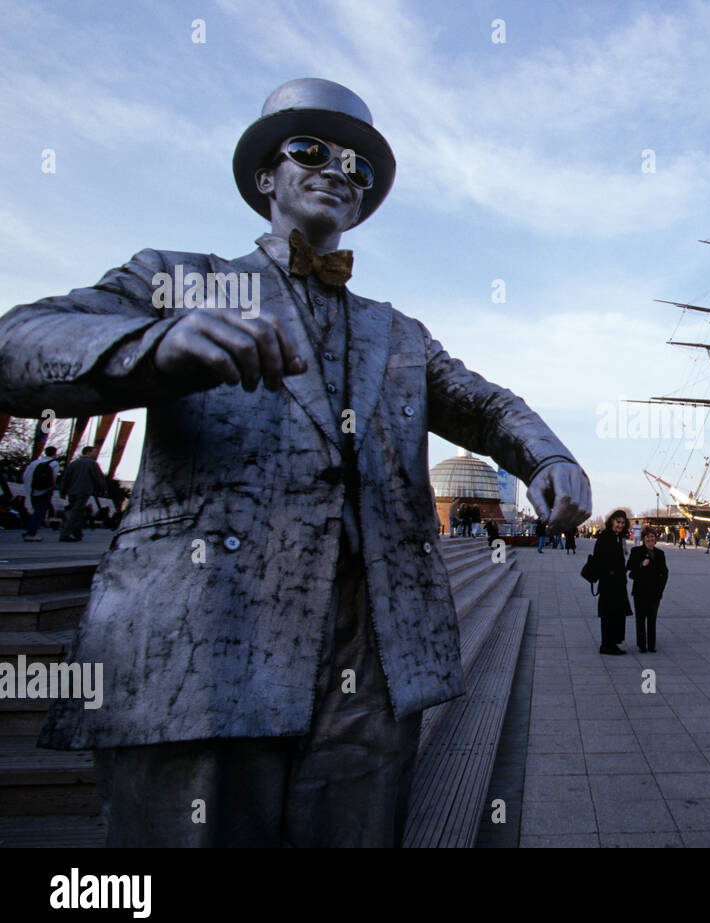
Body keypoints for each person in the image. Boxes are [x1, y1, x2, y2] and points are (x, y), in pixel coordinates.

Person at [0, 78, 590, 848]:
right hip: (206, 638)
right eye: (310, 149)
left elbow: (484, 405)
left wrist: (547, 453)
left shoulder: (400, 333)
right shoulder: (186, 279)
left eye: (359, 165)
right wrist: (156, 345)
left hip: (373, 655)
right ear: (265, 178)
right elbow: (20, 341)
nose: (338, 169)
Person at [593, 509, 632, 654]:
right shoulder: (606, 536)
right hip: (609, 583)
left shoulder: (618, 536)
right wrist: (610, 572)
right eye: (618, 522)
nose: (620, 525)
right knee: (609, 614)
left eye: (622, 522)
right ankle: (607, 644)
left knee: (616, 613)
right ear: (612, 522)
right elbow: (600, 557)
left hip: (618, 582)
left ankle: (613, 642)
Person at [626, 527, 668, 653]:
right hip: (640, 591)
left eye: (652, 537)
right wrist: (641, 564)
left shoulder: (660, 554)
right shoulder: (636, 551)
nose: (650, 539)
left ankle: (651, 644)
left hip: (655, 591)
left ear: (655, 539)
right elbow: (629, 566)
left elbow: (665, 572)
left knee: (652, 618)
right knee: (640, 618)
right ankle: (641, 644)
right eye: (648, 537)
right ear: (643, 539)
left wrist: (661, 589)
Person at [57, 446, 109, 542]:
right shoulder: (92, 464)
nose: (96, 454)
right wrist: (103, 489)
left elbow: (66, 478)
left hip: (72, 491)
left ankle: (77, 533)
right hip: (84, 490)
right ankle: (65, 534)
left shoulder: (74, 463)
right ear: (88, 452)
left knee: (76, 511)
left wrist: (63, 491)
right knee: (76, 513)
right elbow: (98, 478)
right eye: (94, 452)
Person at [21, 446, 59, 542]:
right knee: (40, 512)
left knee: (34, 511)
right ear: (54, 453)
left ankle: (29, 529)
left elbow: (25, 475)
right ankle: (31, 533)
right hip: (45, 490)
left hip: (32, 489)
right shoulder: (54, 463)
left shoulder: (34, 462)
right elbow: (53, 478)